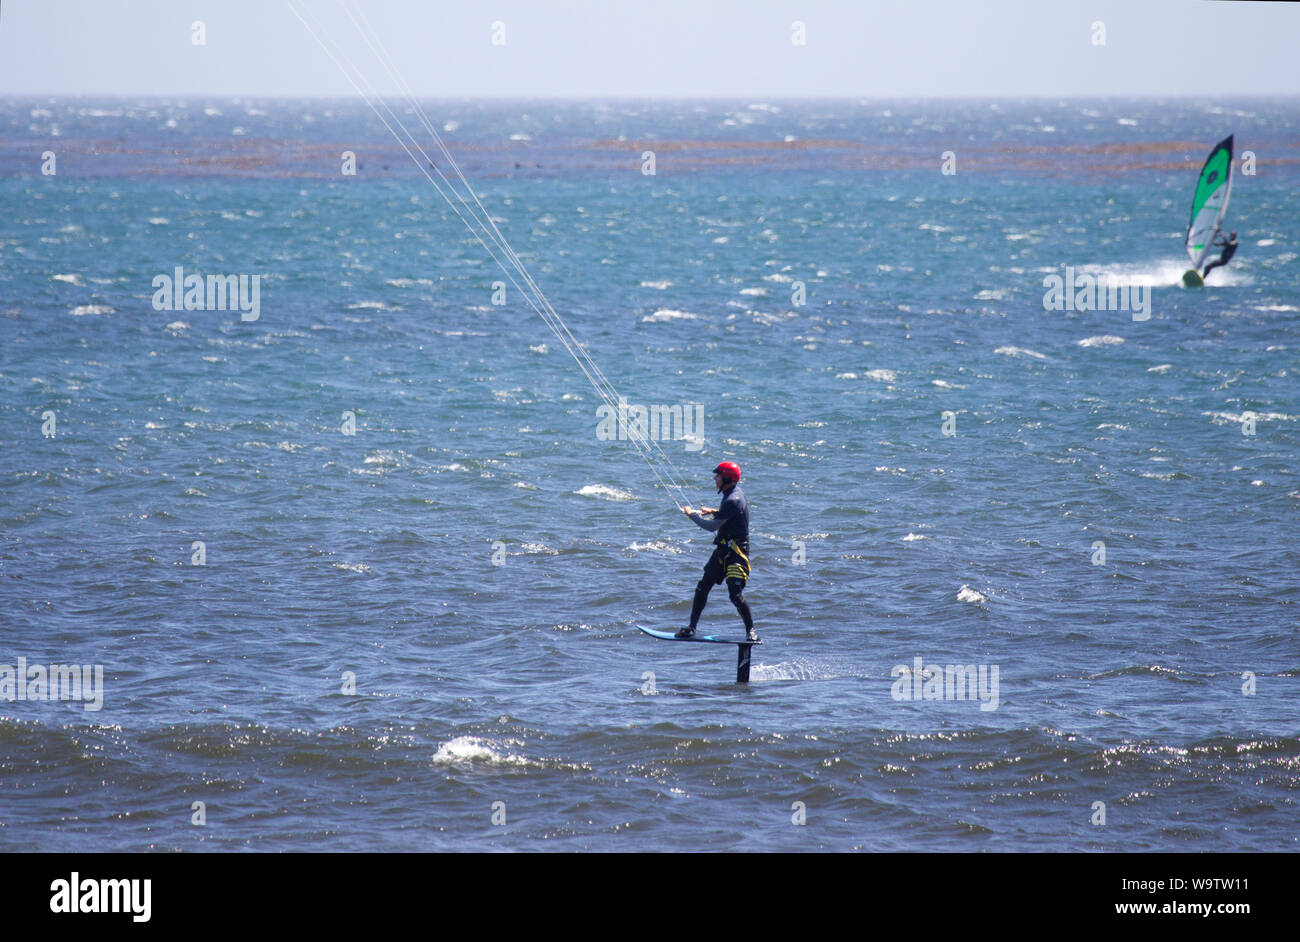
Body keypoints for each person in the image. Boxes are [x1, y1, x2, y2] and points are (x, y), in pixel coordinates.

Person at [677, 462, 757, 642]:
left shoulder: (733, 499)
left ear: (727, 479)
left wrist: (692, 515)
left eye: (718, 476)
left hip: (737, 552)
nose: (715, 479)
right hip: (723, 550)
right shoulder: (731, 494)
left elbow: (712, 527)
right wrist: (714, 510)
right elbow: (730, 514)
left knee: (735, 594)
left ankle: (751, 631)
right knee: (702, 587)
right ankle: (691, 628)